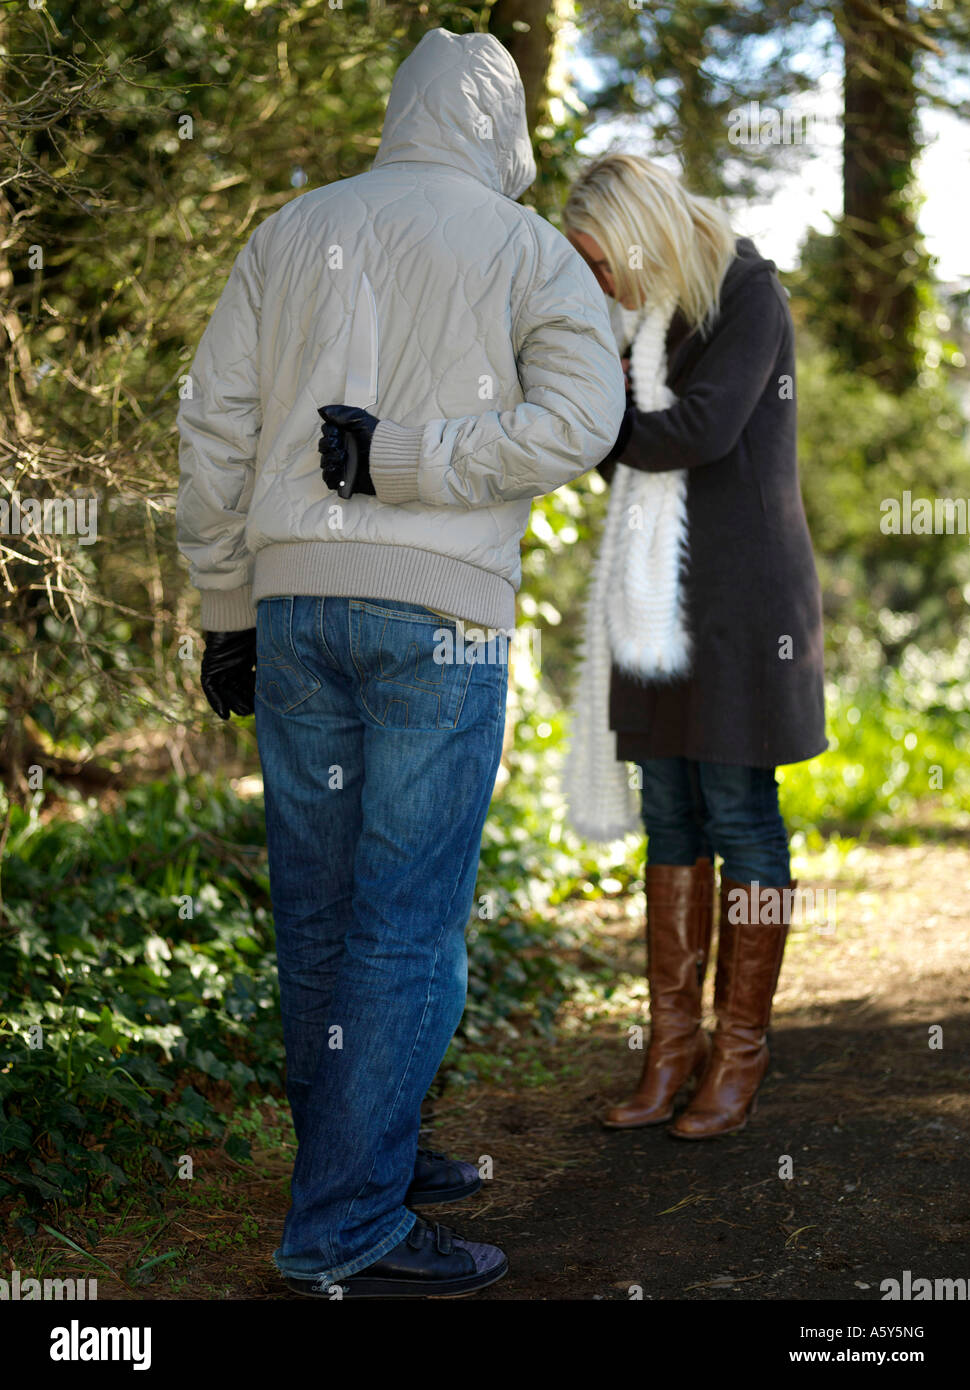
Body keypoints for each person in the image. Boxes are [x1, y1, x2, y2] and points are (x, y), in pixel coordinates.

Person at [175, 29, 625, 1297]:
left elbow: (211, 422)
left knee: (324, 913)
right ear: (504, 125)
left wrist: (224, 606)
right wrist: (412, 460)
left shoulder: (288, 229)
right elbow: (582, 422)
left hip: (297, 606)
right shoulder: (527, 248)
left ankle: (364, 1156)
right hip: (435, 615)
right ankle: (345, 1230)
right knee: (405, 924)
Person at [562, 153, 826, 1139]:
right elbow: (629, 453)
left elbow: (699, 432)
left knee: (738, 815)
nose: (593, 280)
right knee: (667, 816)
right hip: (652, 603)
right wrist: (596, 418)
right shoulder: (632, 321)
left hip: (741, 604)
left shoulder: (744, 290)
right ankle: (668, 1048)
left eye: (596, 259)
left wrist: (583, 421)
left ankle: (738, 1053)